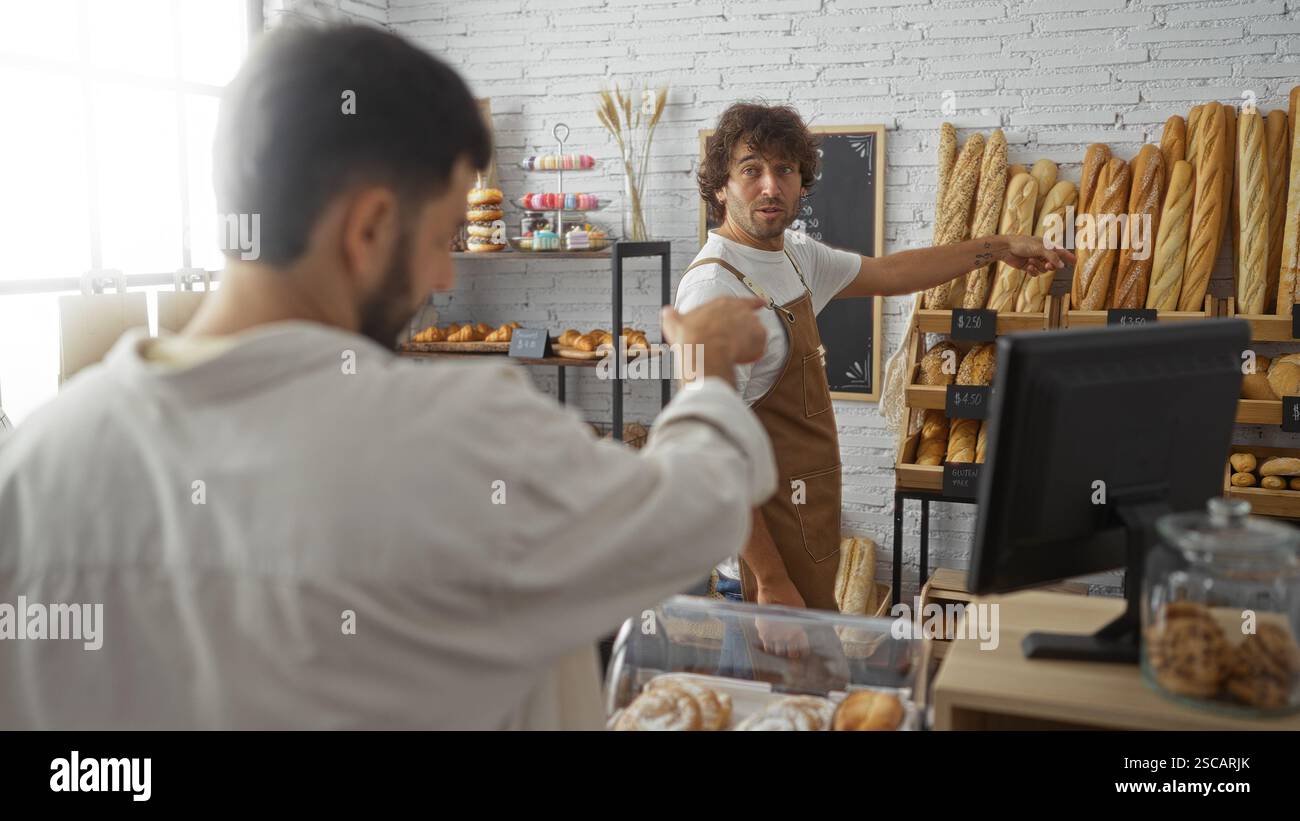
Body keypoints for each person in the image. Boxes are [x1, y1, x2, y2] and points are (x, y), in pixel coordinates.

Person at [0, 25, 777, 730]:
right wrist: (704, 370)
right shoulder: (456, 432)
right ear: (368, 227)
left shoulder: (38, 459)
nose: (444, 275)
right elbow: (693, 514)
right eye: (441, 236)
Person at [677, 103, 1074, 658]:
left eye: (786, 170)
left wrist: (1000, 247)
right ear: (721, 186)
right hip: (755, 574)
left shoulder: (793, 256)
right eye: (751, 169)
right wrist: (771, 583)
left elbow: (891, 273)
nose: (771, 185)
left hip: (805, 540)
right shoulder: (713, 289)